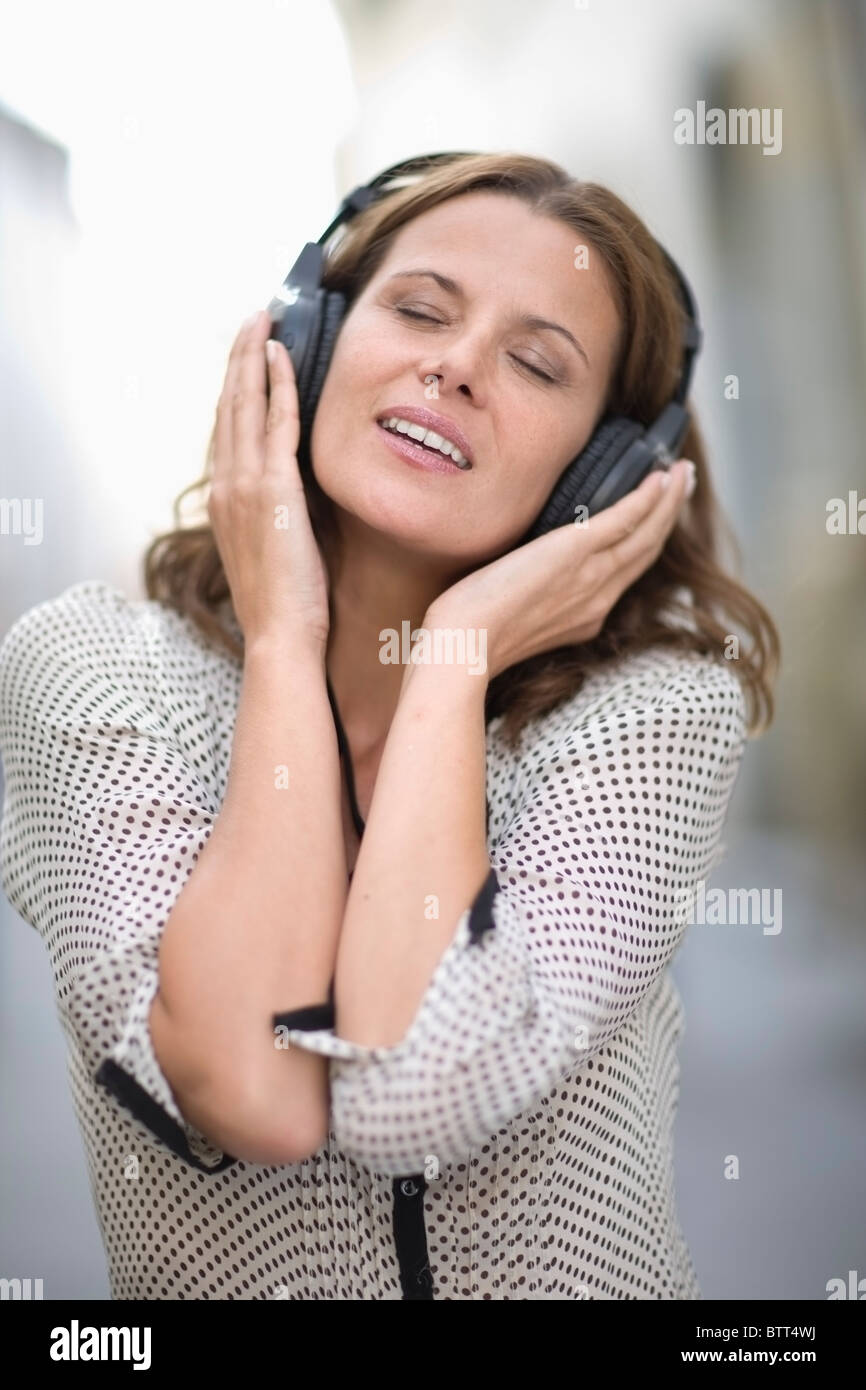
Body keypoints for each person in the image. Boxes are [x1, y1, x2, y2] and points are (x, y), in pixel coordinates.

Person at [0, 151, 779, 1300]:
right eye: (417, 310)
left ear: (604, 476)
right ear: (305, 342)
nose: (456, 367)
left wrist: (450, 666)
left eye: (533, 362)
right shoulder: (91, 669)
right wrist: (281, 642)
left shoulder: (655, 713)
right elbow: (252, 1093)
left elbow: (411, 1086)